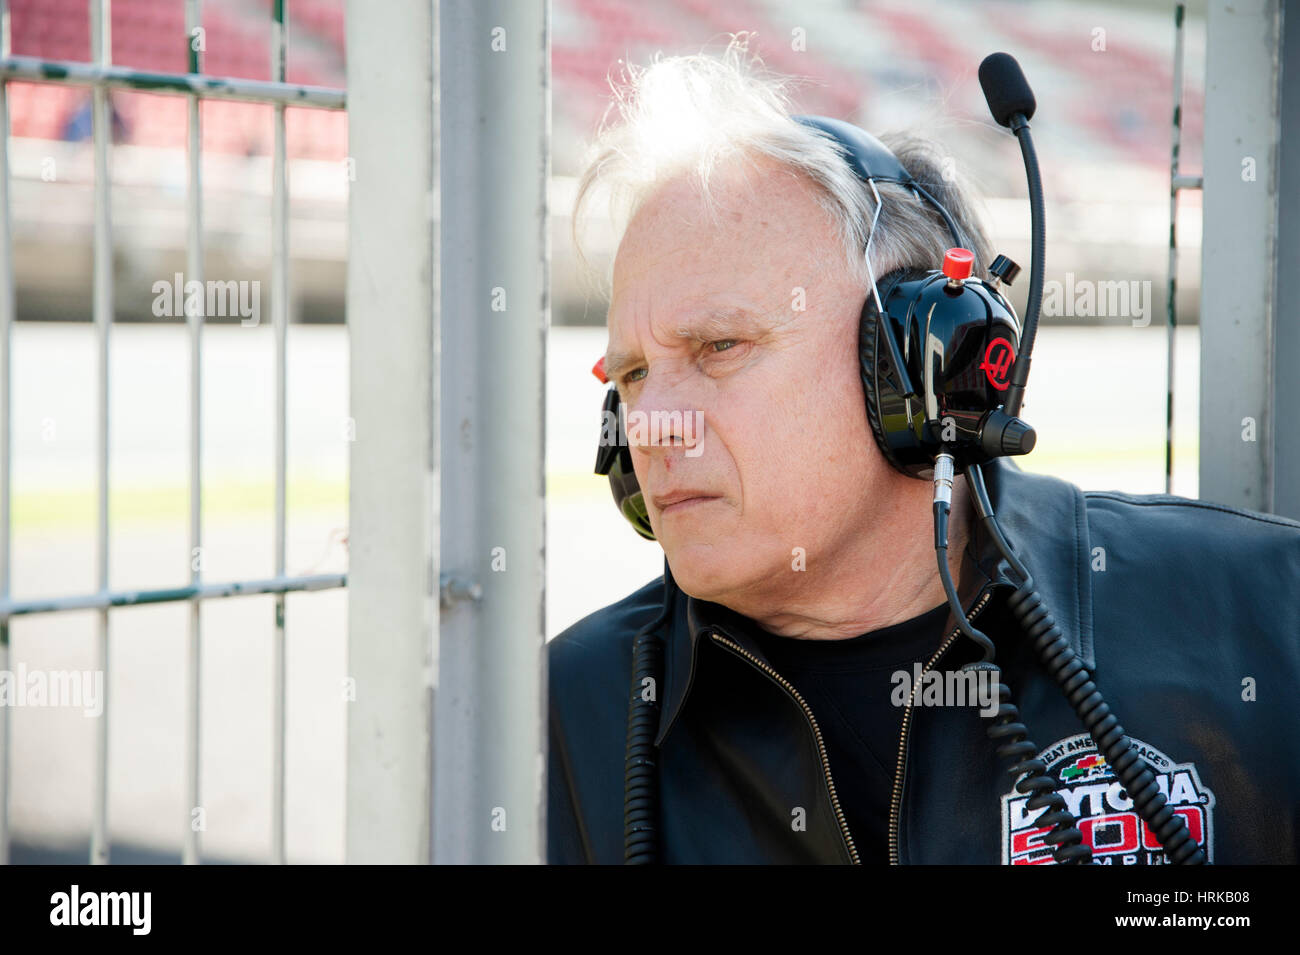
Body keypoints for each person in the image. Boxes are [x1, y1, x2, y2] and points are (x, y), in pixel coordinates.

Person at [547, 38, 1300, 865]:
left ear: (925, 362)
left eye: (720, 346)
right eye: (635, 373)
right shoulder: (552, 717)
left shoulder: (1266, 610)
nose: (652, 425)